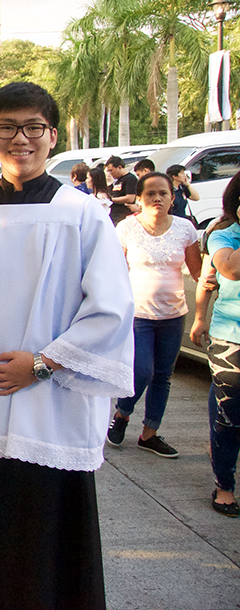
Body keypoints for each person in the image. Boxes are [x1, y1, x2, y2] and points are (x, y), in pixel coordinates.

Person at [0, 81, 134, 610]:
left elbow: (111, 306)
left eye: (33, 127)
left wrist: (43, 362)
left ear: (52, 136)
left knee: (44, 535)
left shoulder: (80, 214)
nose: (21, 139)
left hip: (48, 399)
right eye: (8, 128)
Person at [108, 172, 201, 458]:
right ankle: (122, 413)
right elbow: (113, 271)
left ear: (173, 198)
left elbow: (198, 271)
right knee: (142, 371)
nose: (157, 198)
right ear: (139, 198)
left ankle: (150, 433)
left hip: (174, 315)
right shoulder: (126, 228)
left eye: (163, 193)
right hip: (139, 315)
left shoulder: (185, 229)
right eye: (150, 194)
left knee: (163, 375)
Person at [190, 170, 240, 518]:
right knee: (229, 417)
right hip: (231, 337)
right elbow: (231, 270)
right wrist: (200, 318)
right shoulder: (224, 235)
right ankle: (224, 485)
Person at [106, 155, 139, 225]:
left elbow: (130, 198)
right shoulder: (118, 181)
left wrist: (112, 200)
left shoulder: (130, 179)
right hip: (114, 215)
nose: (110, 173)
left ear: (119, 167)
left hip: (123, 216)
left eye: (111, 170)